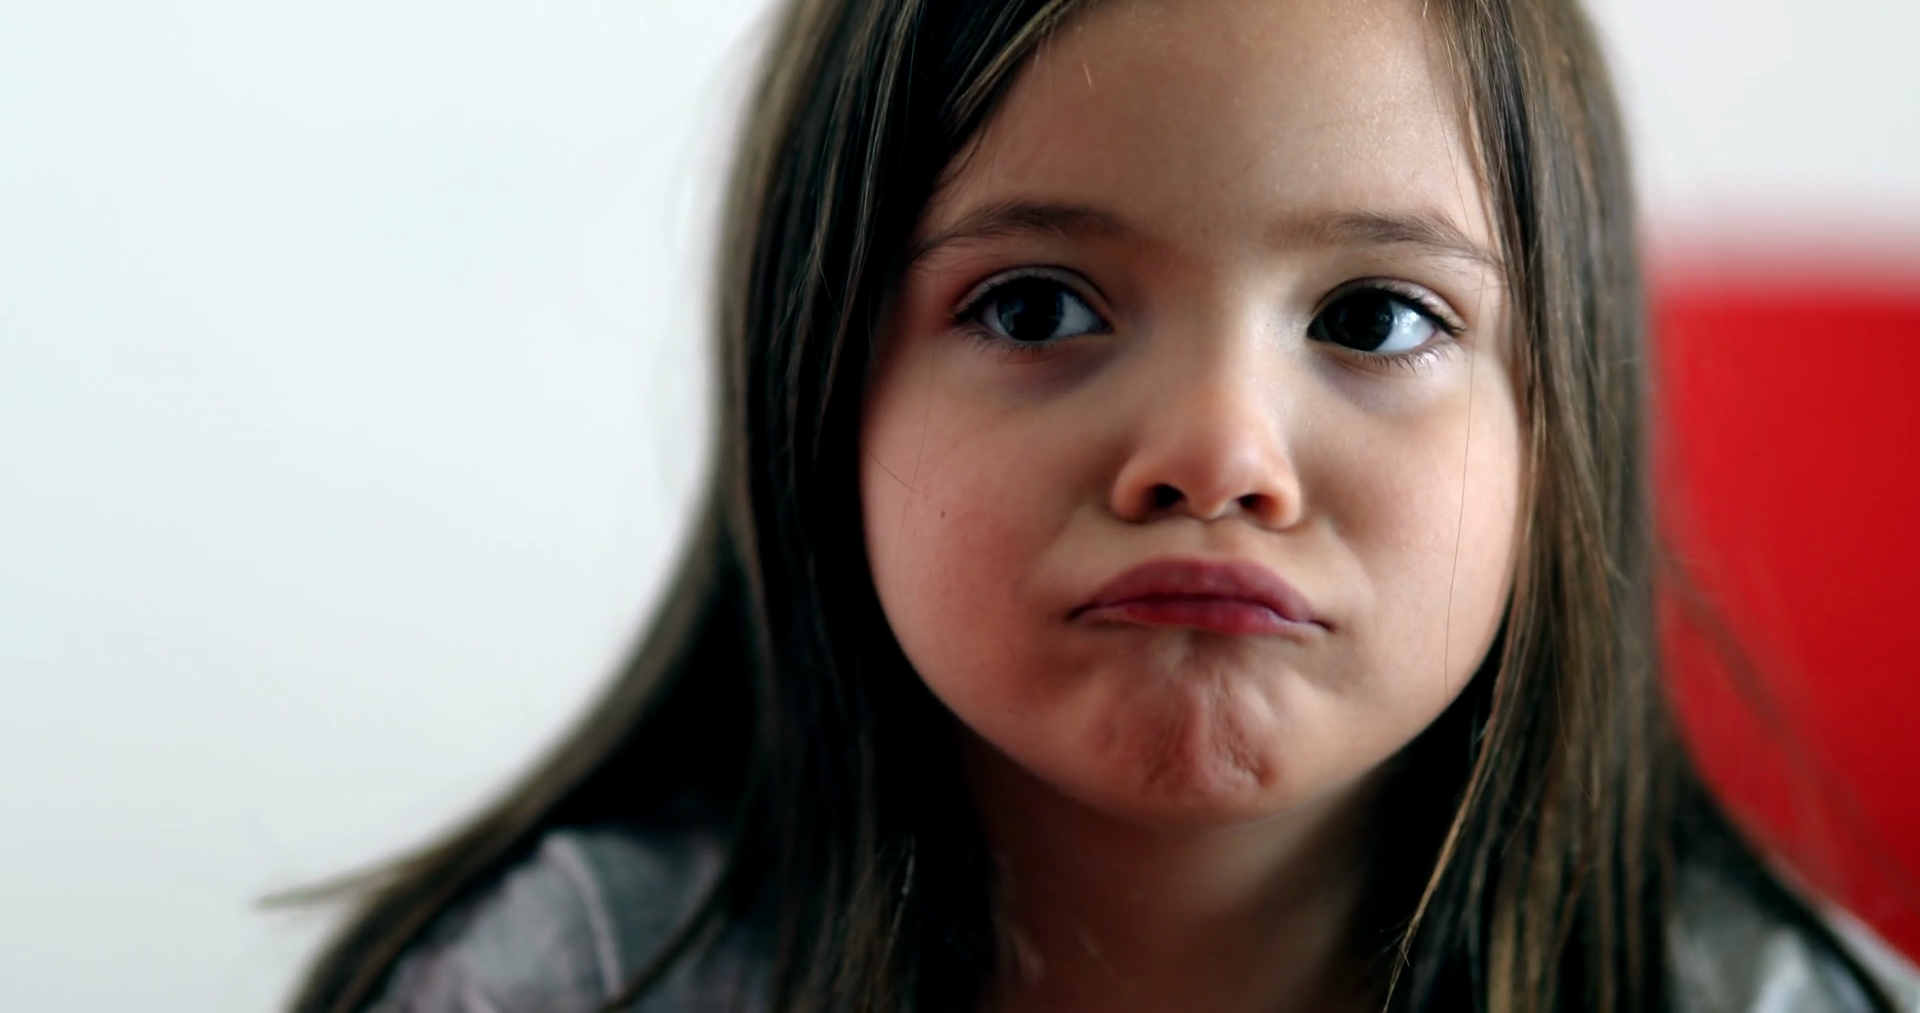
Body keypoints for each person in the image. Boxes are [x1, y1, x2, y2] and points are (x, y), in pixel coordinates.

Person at [291, 0, 1920, 1010]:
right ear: (822, 395)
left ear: (1559, 434)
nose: (1218, 457)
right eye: (1036, 307)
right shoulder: (546, 989)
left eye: (1373, 320)